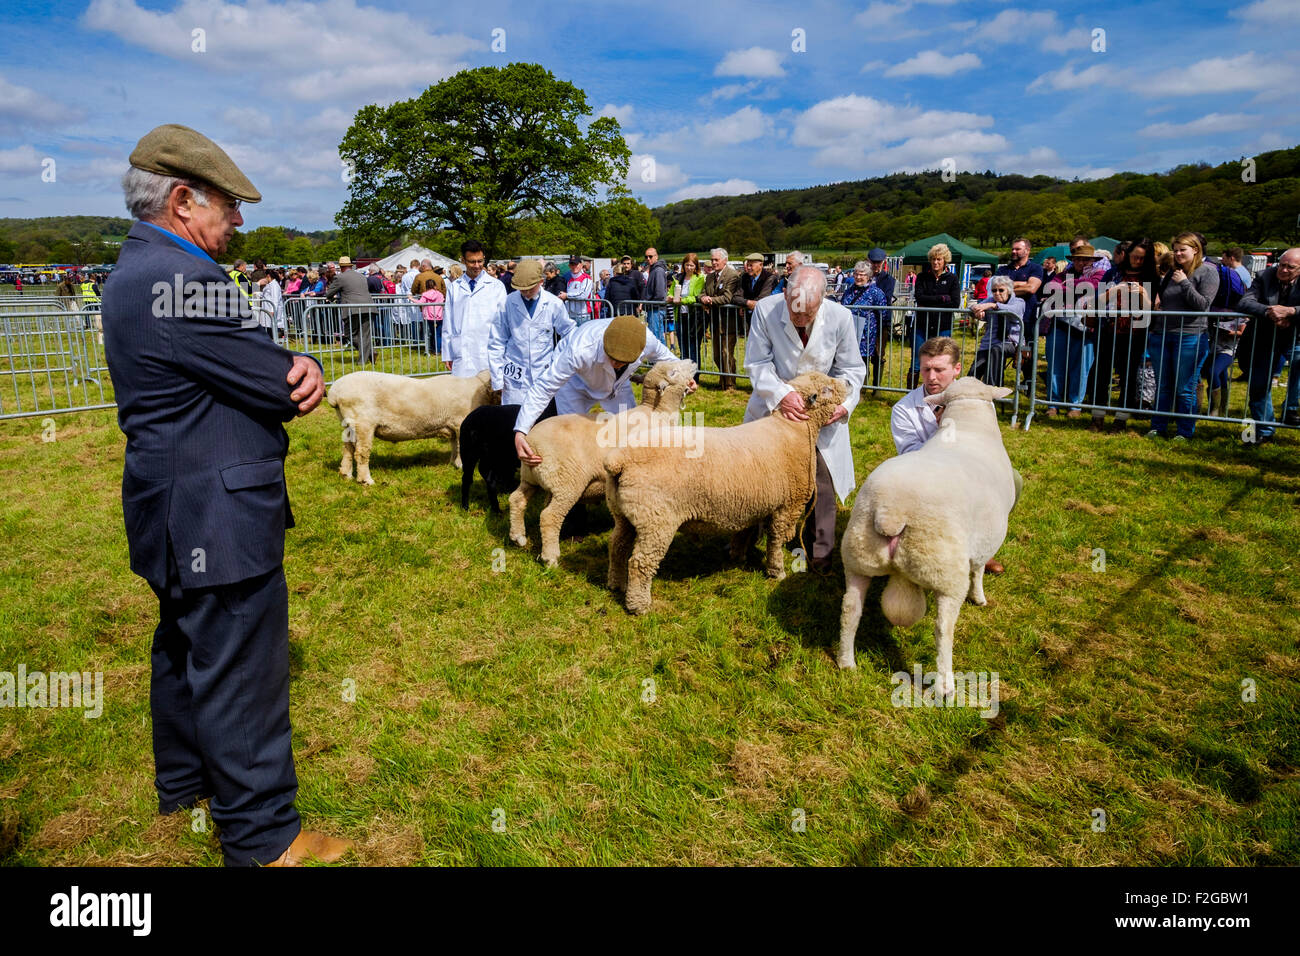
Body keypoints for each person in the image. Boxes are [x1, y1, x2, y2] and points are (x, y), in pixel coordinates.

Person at [101, 124, 348, 868]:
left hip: (169, 505)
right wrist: (299, 361)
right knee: (243, 671)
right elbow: (277, 385)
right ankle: (265, 838)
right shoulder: (182, 281)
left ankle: (185, 780)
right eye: (228, 205)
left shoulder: (133, 270)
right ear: (181, 200)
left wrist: (283, 363)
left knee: (185, 646)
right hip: (216, 514)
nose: (239, 221)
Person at [744, 266, 865, 574]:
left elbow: (852, 369)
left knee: (820, 481)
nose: (799, 317)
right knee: (752, 478)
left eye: (807, 313)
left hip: (822, 413)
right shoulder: (766, 311)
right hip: (775, 408)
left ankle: (819, 555)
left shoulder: (841, 318)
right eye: (793, 309)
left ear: (822, 300)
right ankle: (744, 539)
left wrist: (843, 405)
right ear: (785, 292)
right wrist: (782, 394)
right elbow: (757, 362)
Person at [890, 337, 1020, 574]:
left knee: (1014, 480)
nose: (931, 377)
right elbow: (908, 454)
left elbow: (987, 443)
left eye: (939, 370)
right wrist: (942, 432)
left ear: (956, 369)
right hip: (928, 475)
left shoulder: (979, 398)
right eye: (926, 369)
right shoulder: (904, 409)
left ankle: (984, 546)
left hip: (972, 471)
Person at [513, 314, 680, 464]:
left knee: (631, 429)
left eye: (623, 362)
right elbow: (544, 387)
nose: (617, 364)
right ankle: (578, 483)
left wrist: (685, 381)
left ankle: (624, 473)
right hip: (574, 384)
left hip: (617, 386)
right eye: (612, 358)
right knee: (573, 437)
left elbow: (672, 363)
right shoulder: (580, 349)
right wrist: (521, 430)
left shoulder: (647, 340)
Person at [1145, 232, 1218, 441]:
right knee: (1164, 385)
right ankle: (1158, 427)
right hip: (1162, 334)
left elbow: (1203, 305)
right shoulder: (1173, 273)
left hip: (1190, 336)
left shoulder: (1208, 272)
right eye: (1175, 250)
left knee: (1185, 387)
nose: (1177, 254)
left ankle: (1184, 431)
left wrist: (1185, 282)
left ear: (1195, 250)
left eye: (1182, 250)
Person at [1089, 237, 1155, 431]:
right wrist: (1114, 290)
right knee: (1101, 374)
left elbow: (1154, 308)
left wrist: (1143, 294)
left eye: (1142, 258)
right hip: (1108, 329)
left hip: (1135, 332)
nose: (1137, 261)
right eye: (1135, 256)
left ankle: (1121, 419)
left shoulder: (1151, 276)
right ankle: (1097, 416)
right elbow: (1096, 301)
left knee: (1128, 376)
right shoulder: (1113, 273)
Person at [488, 258, 576, 406]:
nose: (526, 292)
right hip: (514, 373)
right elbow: (496, 341)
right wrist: (497, 379)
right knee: (514, 418)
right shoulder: (507, 303)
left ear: (541, 282)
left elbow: (569, 332)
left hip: (544, 371)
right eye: (522, 289)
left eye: (530, 288)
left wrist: (561, 362)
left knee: (543, 421)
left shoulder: (553, 303)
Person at [1237, 247, 1300, 444]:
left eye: (1290, 267)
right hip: (1266, 336)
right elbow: (1245, 302)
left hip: (1297, 336)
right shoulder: (1265, 275)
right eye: (1282, 265)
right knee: (1258, 384)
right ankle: (1265, 429)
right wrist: (1270, 312)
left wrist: (1291, 311)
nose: (1284, 270)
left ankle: (1291, 408)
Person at [1041, 244, 1106, 418]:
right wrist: (1074, 285)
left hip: (1086, 328)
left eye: (1086, 259)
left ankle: (1074, 405)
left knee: (1081, 368)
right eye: (1078, 259)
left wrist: (1069, 285)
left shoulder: (1100, 274)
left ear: (1093, 261)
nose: (1082, 262)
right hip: (1060, 325)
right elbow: (1051, 288)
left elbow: (1092, 286)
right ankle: (1053, 404)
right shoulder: (1061, 275)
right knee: (1055, 365)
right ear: (1073, 260)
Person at [442, 239, 507, 377]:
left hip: (488, 350)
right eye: (472, 262)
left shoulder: (496, 286)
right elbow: (448, 322)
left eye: (480, 261)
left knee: (487, 394)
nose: (477, 266)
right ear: (463, 261)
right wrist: (447, 353)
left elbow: (503, 321)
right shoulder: (454, 287)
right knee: (461, 394)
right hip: (462, 350)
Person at [910, 243, 960, 390]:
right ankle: (910, 393)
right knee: (917, 360)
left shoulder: (952, 279)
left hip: (942, 325)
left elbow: (955, 303)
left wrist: (930, 301)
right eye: (933, 259)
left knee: (942, 359)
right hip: (921, 324)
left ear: (945, 260)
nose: (935, 262)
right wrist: (943, 298)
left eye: (939, 259)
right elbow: (919, 298)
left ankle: (941, 391)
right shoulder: (922, 277)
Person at [699, 247, 746, 390]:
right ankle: (723, 379)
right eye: (712, 259)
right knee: (717, 355)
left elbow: (727, 297)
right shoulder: (709, 277)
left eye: (716, 260)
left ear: (725, 260)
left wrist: (709, 300)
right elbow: (702, 293)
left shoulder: (732, 276)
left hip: (728, 322)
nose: (713, 262)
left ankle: (730, 385)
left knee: (727, 353)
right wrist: (703, 298)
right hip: (714, 322)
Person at [968, 275, 1024, 388]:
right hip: (990, 341)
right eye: (994, 290)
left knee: (997, 349)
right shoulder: (989, 300)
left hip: (1011, 342)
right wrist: (976, 310)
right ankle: (969, 394)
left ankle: (993, 388)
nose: (997, 293)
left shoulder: (1019, 301)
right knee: (974, 372)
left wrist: (993, 305)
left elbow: (1015, 311)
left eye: (1001, 290)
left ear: (1008, 290)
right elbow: (973, 307)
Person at [840, 260, 889, 388]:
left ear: (868, 276)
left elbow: (883, 312)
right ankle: (855, 386)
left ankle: (865, 388)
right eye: (856, 274)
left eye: (862, 274)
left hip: (867, 334)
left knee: (864, 360)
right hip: (850, 331)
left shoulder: (875, 292)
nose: (858, 277)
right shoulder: (849, 291)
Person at [324, 255, 375, 365]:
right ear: (350, 266)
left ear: (341, 267)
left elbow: (329, 293)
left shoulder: (340, 277)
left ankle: (366, 356)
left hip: (353, 308)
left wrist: (330, 297)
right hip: (369, 306)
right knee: (365, 335)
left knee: (349, 334)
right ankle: (368, 354)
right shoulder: (361, 276)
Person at [669, 252, 706, 378]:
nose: (689, 268)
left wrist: (681, 300)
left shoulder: (699, 278)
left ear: (696, 266)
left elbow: (696, 297)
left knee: (693, 347)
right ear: (683, 265)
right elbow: (671, 292)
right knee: (683, 346)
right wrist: (669, 296)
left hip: (694, 317)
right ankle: (683, 375)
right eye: (687, 265)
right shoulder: (678, 278)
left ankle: (694, 376)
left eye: (691, 265)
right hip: (680, 316)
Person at [642, 247, 668, 343]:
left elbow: (660, 293)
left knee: (656, 338)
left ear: (656, 257)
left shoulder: (658, 271)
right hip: (654, 309)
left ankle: (662, 358)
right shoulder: (653, 269)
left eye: (650, 256)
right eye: (646, 257)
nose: (648, 259)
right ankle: (662, 358)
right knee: (657, 338)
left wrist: (649, 303)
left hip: (656, 309)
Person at [565, 254, 595, 324]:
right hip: (571, 315)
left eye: (576, 264)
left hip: (583, 315)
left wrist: (567, 296)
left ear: (581, 265)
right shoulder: (570, 280)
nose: (574, 266)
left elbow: (583, 295)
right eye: (572, 264)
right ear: (569, 266)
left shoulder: (586, 278)